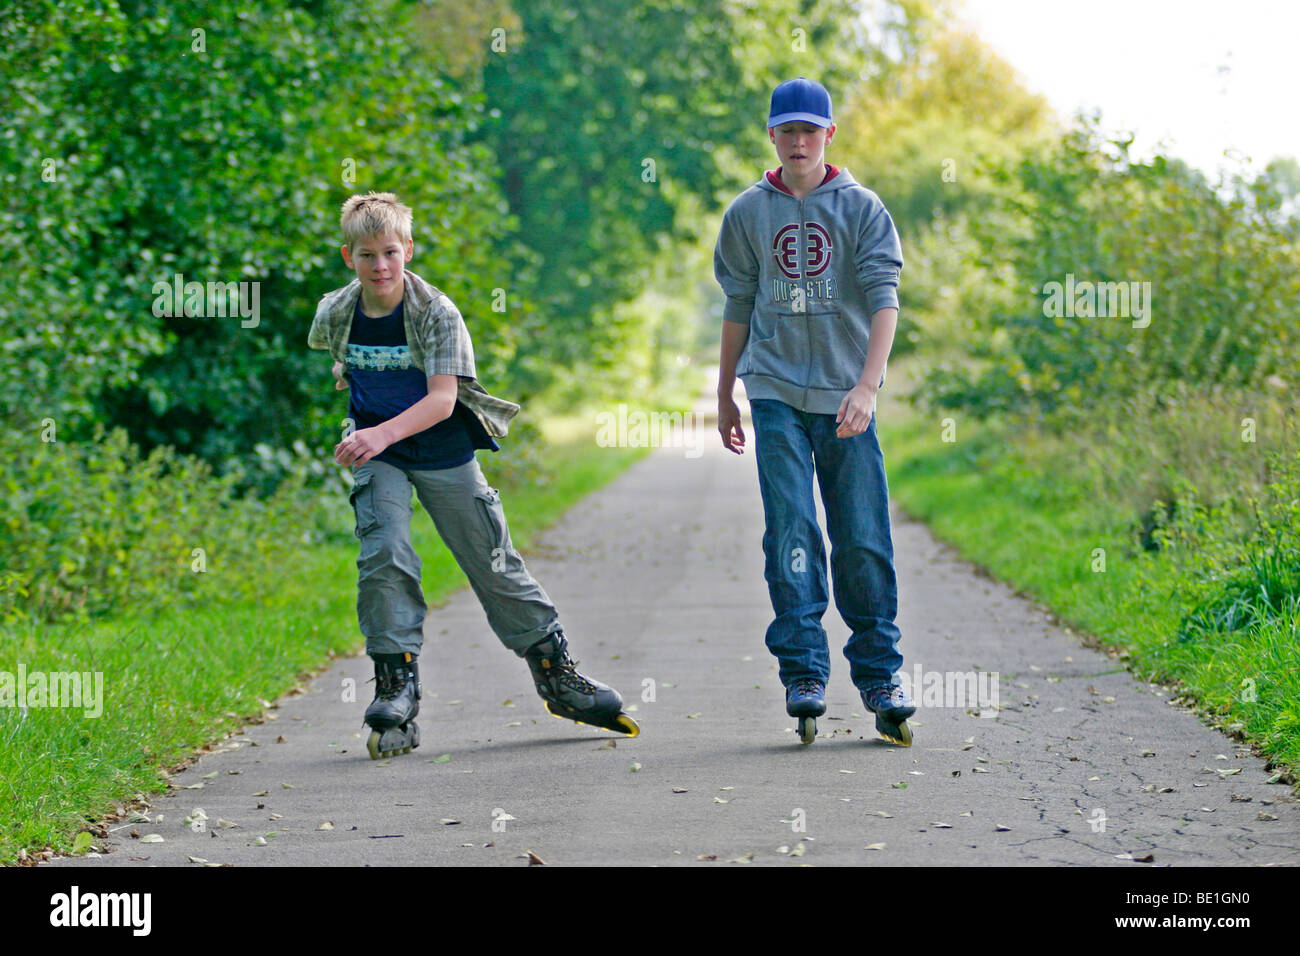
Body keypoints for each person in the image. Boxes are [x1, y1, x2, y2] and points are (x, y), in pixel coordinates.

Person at [308, 191, 637, 759]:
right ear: (349, 258)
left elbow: (441, 399)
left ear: (408, 250)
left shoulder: (437, 312)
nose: (380, 266)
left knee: (494, 564)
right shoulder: (336, 310)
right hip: (378, 453)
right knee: (384, 553)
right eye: (367, 256)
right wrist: (353, 395)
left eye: (390, 252)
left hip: (441, 449)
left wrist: (379, 430)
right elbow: (341, 358)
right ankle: (396, 686)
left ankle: (558, 676)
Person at [713, 78, 915, 746]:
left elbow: (885, 301)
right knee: (792, 532)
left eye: (811, 130)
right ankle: (805, 672)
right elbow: (738, 304)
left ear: (830, 134)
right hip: (773, 395)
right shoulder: (748, 214)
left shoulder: (861, 208)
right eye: (787, 130)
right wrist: (724, 396)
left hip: (846, 400)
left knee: (860, 535)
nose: (799, 141)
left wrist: (868, 387)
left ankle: (881, 678)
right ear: (771, 135)